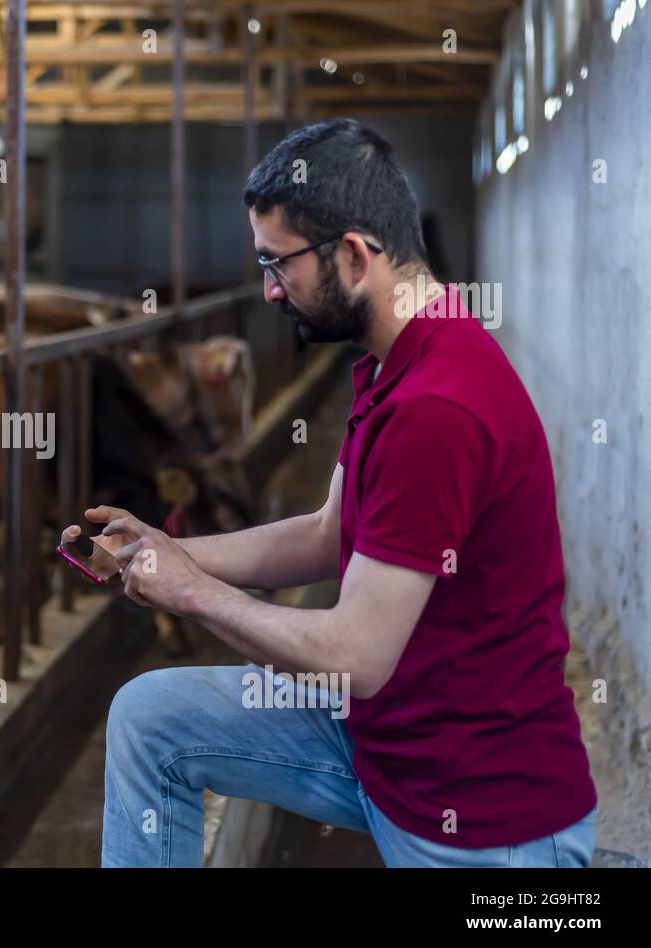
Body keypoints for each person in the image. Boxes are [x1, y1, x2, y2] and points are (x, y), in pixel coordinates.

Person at [76, 118, 597, 868]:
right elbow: (328, 532)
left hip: (480, 818)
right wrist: (168, 549)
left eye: (276, 264)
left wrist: (191, 593)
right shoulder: (400, 362)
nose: (266, 288)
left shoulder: (436, 409)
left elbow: (354, 657)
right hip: (392, 741)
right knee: (149, 718)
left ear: (353, 255)